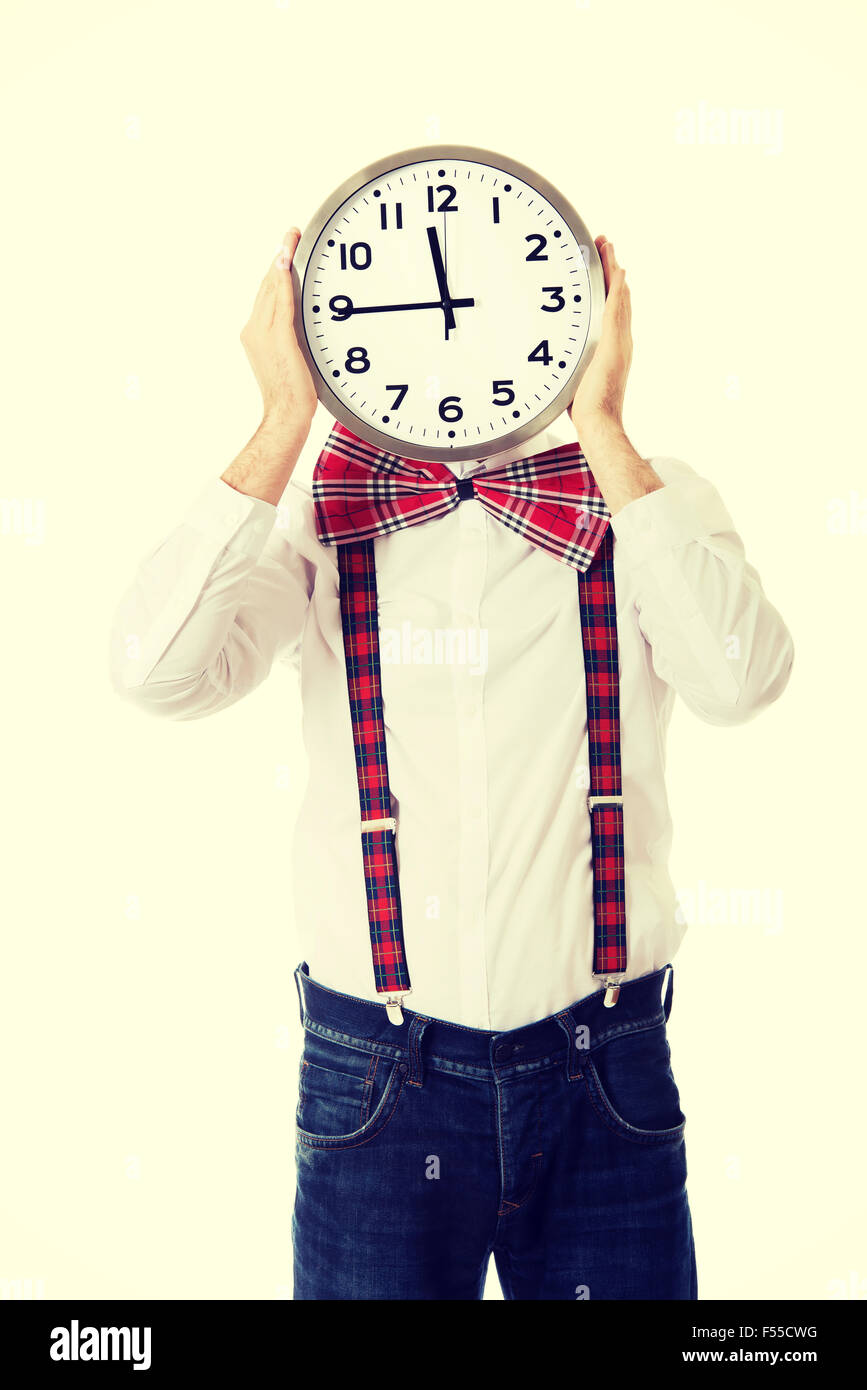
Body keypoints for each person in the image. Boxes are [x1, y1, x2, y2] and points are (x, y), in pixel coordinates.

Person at [108, 225, 794, 1300]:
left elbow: (740, 681)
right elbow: (156, 673)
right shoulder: (321, 512)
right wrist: (282, 420)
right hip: (375, 1082)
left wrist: (606, 430)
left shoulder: (651, 500)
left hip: (605, 1072)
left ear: (572, 318)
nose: (456, 331)